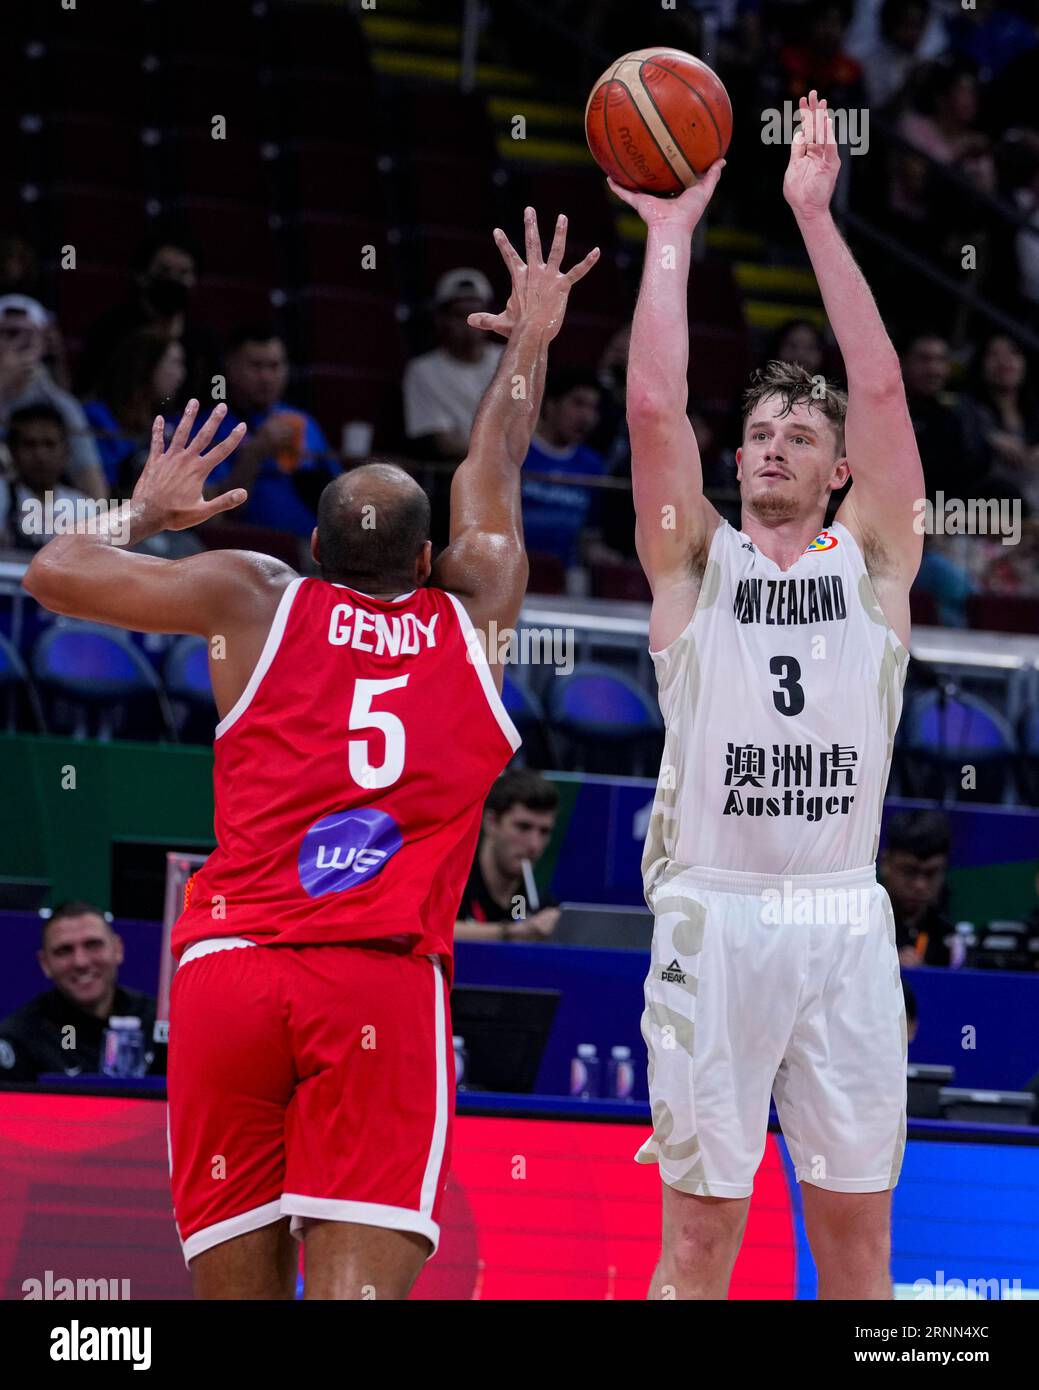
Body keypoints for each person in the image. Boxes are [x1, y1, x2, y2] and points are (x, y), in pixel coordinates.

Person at [23, 208, 597, 1301]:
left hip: (228, 979)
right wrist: (527, 337)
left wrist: (142, 510)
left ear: (314, 553)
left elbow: (51, 574)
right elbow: (498, 452)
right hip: (373, 983)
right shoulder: (475, 615)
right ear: (428, 558)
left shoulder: (252, 596)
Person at [613, 92, 924, 1300]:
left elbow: (885, 391)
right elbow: (650, 408)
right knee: (698, 1243)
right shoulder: (695, 565)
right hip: (713, 915)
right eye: (760, 431)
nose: (779, 442)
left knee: (855, 1242)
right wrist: (673, 230)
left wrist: (812, 215)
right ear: (734, 461)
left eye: (805, 430)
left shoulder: (876, 564)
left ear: (840, 469)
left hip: (846, 919)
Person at [195, 324, 337, 538]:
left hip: (312, 549)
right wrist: (254, 454)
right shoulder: (207, 426)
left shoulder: (304, 422)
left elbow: (336, 496)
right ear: (230, 368)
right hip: (242, 550)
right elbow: (216, 513)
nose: (266, 377)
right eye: (256, 366)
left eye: (275, 366)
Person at [0, 901, 161, 1081]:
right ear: (45, 963)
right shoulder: (21, 1037)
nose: (81, 962)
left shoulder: (160, 1022)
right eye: (64, 950)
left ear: (118, 949)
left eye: (93, 945)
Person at [76, 229, 217, 399]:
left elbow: (212, 401)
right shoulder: (110, 329)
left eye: (183, 274)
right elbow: (87, 389)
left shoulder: (205, 341)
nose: (173, 280)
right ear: (142, 274)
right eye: (164, 271)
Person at [0, 296, 107, 499]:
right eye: (8, 334)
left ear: (44, 342)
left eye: (28, 334)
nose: (19, 343)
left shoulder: (62, 404)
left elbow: (96, 494)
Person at [521, 368, 620, 575]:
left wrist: (604, 557)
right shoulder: (516, 452)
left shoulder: (593, 465)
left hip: (564, 577)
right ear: (550, 405)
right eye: (578, 403)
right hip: (511, 572)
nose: (587, 417)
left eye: (594, 408)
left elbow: (590, 536)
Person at [402, 267, 505, 463]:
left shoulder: (510, 358)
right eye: (460, 315)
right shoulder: (423, 371)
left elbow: (529, 424)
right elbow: (445, 442)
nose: (472, 323)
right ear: (441, 319)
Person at [455, 770, 561, 942]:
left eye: (544, 831)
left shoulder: (536, 903)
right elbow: (430, 933)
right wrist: (510, 933)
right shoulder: (452, 885)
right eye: (523, 827)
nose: (534, 844)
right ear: (491, 822)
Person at [84, 329, 189, 492]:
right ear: (147, 365)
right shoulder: (95, 416)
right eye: (174, 363)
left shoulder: (168, 422)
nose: (181, 375)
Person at [0, 405, 90, 550]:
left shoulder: (84, 508)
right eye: (29, 444)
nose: (40, 455)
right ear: (13, 450)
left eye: (49, 444)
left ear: (65, 451)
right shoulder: (2, 496)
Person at [880, 811, 954, 966]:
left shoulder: (949, 938)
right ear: (886, 863)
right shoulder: (861, 929)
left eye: (931, 873)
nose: (920, 885)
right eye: (909, 871)